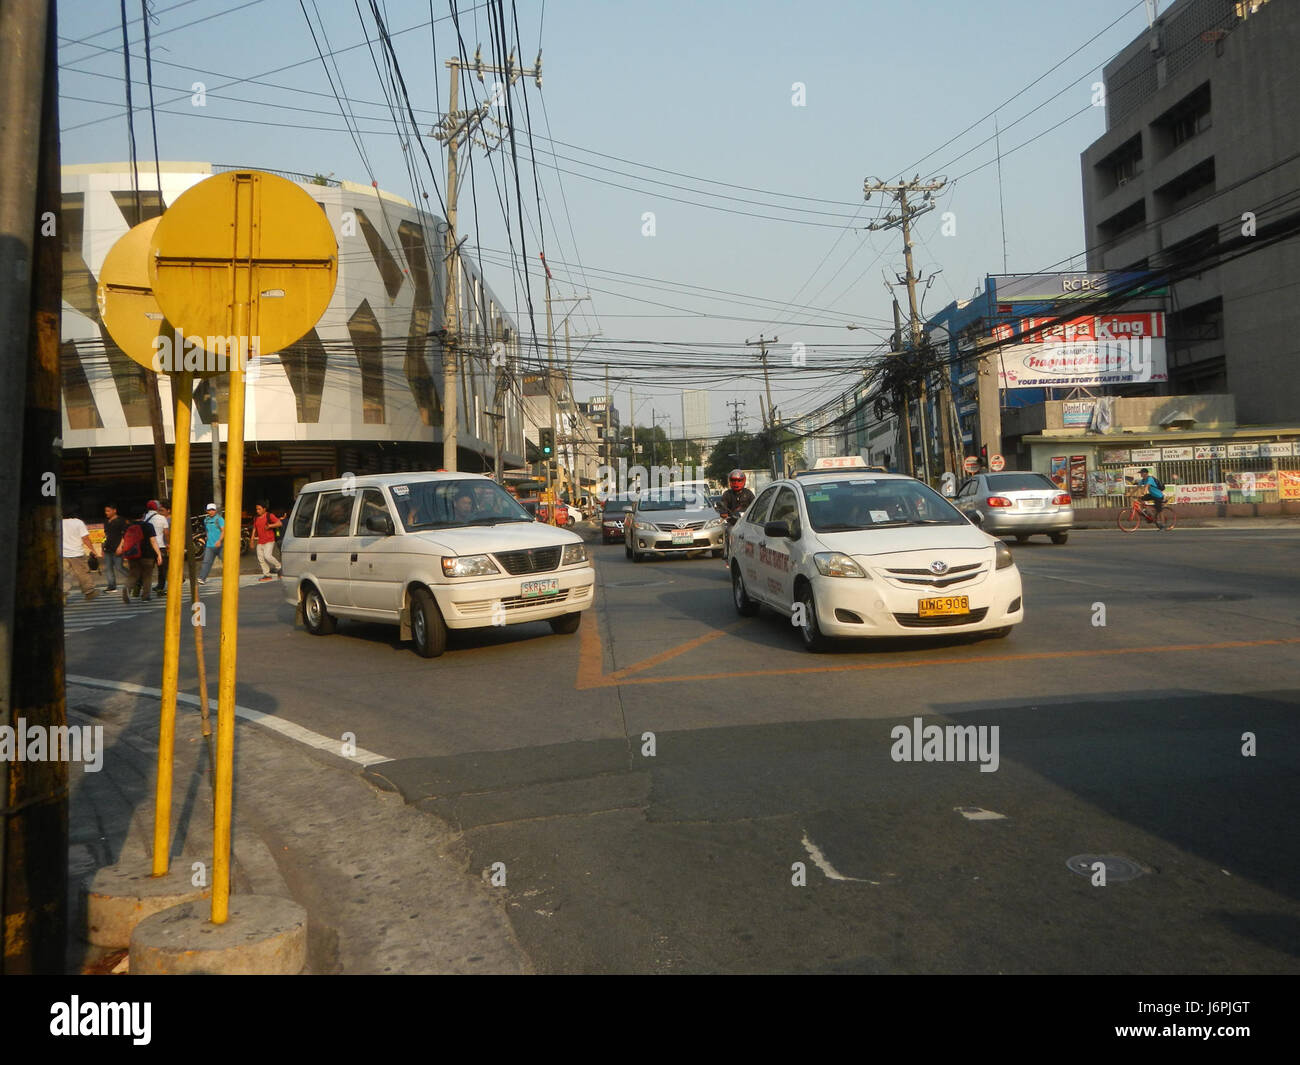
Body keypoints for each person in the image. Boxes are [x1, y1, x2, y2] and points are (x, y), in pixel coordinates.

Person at [122, 509, 162, 603]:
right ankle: (145, 596)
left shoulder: (127, 526)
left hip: (133, 554)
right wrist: (158, 554)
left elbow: (124, 541)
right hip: (147, 555)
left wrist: (123, 553)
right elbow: (153, 541)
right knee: (147, 576)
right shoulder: (148, 526)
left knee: (133, 575)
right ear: (143, 515)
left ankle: (127, 587)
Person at [718, 470, 755, 566]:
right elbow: (722, 506)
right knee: (728, 531)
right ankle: (727, 554)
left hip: (747, 523)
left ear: (744, 481)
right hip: (733, 523)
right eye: (733, 480)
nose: (736, 483)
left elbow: (755, 506)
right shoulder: (727, 494)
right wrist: (724, 513)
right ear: (730, 481)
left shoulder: (749, 494)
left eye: (739, 480)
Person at [61, 506, 98, 602]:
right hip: (77, 553)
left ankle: (63, 594)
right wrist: (93, 550)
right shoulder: (78, 522)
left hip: (63, 554)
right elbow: (85, 538)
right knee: (83, 573)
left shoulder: (58, 523)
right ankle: (89, 592)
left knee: (65, 575)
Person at [250, 501, 283, 581]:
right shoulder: (256, 518)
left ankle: (279, 567)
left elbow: (279, 523)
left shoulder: (269, 515)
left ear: (264, 509)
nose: (257, 511)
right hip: (260, 541)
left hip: (269, 540)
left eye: (259, 509)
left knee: (267, 556)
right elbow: (254, 528)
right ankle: (267, 575)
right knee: (260, 559)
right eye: (256, 509)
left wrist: (270, 526)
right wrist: (252, 540)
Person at [146, 500, 170, 596]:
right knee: (162, 569)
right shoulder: (162, 518)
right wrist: (168, 543)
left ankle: (145, 588)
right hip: (160, 546)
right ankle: (160, 587)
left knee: (147, 569)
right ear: (156, 507)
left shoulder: (145, 517)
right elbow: (166, 533)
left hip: (148, 547)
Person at [101, 503, 126, 592]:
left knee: (119, 567)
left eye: (108, 511)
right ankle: (111, 586)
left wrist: (120, 547)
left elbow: (124, 535)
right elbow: (105, 535)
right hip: (107, 548)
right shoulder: (106, 521)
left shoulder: (121, 521)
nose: (106, 513)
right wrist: (102, 547)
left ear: (114, 510)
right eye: (105, 511)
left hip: (117, 548)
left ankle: (135, 580)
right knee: (108, 568)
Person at [198, 503, 224, 584]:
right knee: (206, 562)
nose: (211, 511)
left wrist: (219, 540)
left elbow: (224, 531)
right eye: (209, 510)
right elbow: (207, 530)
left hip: (220, 546)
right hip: (210, 545)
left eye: (213, 509)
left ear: (215, 510)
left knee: (226, 562)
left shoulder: (219, 519)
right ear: (207, 511)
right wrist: (207, 537)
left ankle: (231, 576)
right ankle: (202, 578)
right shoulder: (206, 520)